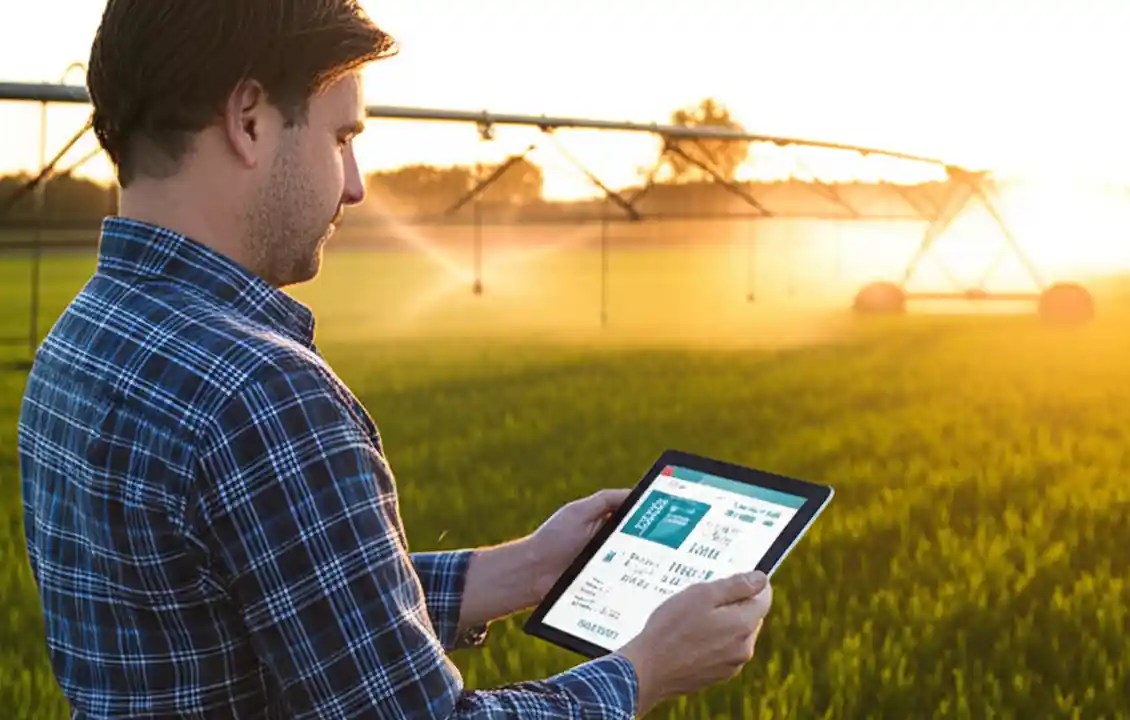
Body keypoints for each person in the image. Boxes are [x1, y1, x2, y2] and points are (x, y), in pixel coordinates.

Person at [16, 1, 774, 718]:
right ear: (249, 120)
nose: (354, 186)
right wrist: (645, 668)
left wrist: (525, 569)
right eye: (342, 138)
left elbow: (275, 601)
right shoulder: (261, 393)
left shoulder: (81, 340)